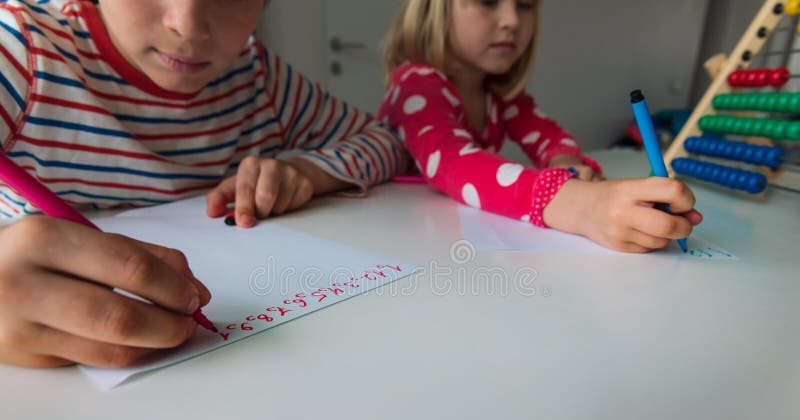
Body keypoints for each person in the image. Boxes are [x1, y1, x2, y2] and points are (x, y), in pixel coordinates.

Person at [0, 0, 405, 368]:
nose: (189, 26)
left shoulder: (259, 81)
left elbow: (386, 141)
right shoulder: (21, 51)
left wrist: (306, 171)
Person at [378, 0, 703, 252]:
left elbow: (549, 136)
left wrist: (566, 162)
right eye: (488, 1)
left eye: (525, 4)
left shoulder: (499, 95)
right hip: (408, 247)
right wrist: (580, 205)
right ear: (432, 11)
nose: (512, 21)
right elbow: (453, 163)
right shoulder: (415, 85)